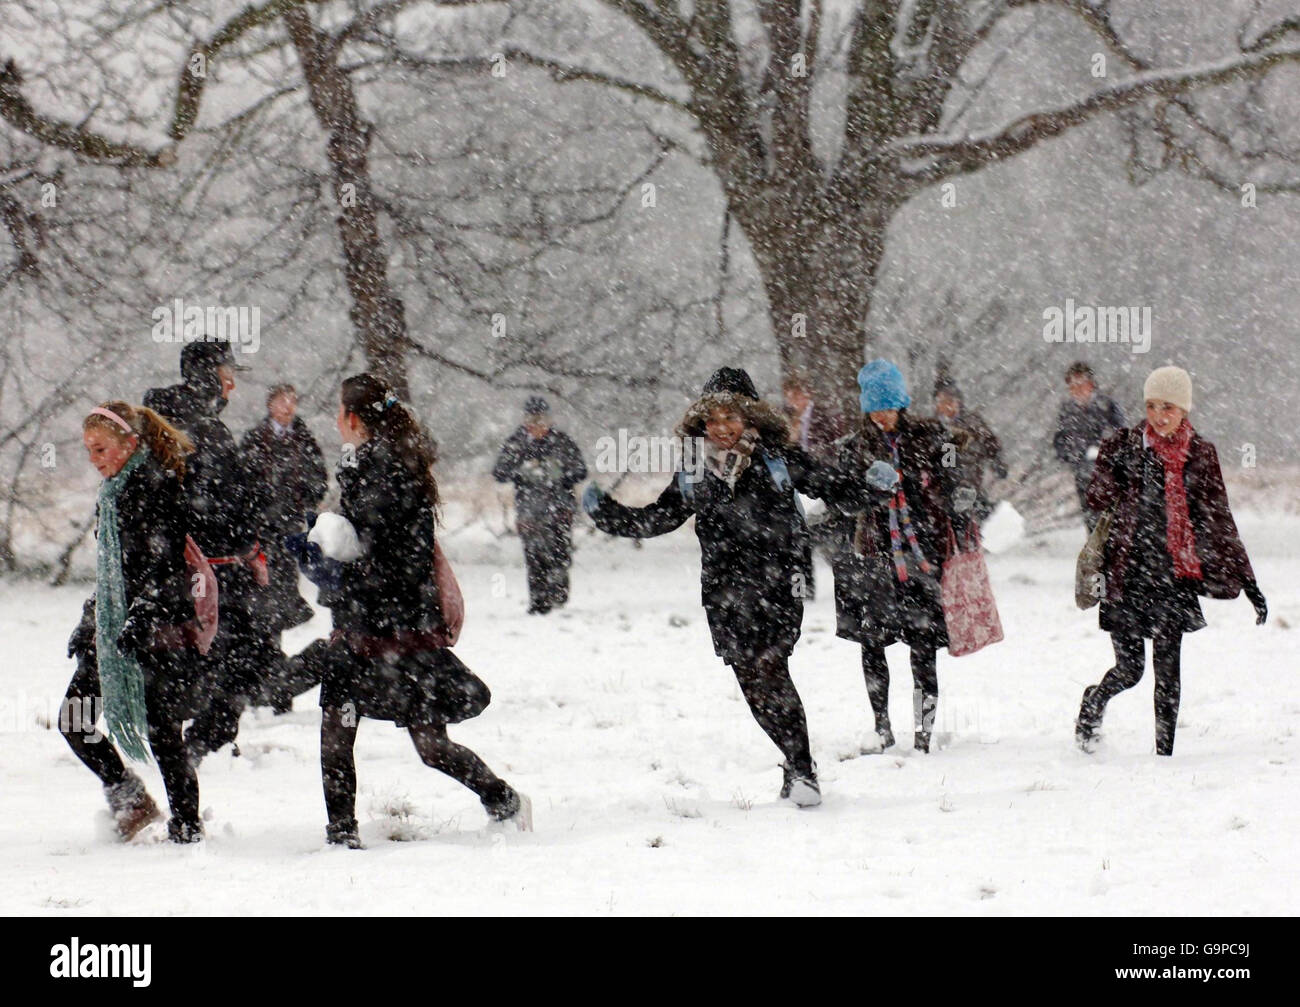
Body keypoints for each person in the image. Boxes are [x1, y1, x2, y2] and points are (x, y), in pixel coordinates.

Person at [584, 367, 850, 807]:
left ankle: (803, 771)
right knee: (751, 679)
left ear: (752, 419)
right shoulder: (694, 470)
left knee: (770, 667)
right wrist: (608, 514)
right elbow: (660, 518)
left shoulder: (780, 459)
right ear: (702, 423)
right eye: (714, 419)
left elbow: (835, 488)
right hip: (724, 590)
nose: (722, 427)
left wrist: (876, 488)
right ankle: (794, 763)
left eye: (732, 417)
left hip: (779, 582)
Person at [298, 373, 531, 848]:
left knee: (400, 741)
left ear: (352, 417)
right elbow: (378, 545)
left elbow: (389, 555)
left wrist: (336, 566)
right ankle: (343, 833)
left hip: (389, 628)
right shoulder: (379, 464)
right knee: (359, 732)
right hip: (389, 627)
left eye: (339, 412)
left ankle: (502, 799)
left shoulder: (382, 470)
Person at [1075, 366, 1267, 756]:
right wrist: (1117, 473)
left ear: (1184, 410)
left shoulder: (1200, 454)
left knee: (1168, 671)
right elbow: (1094, 498)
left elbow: (1219, 518)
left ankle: (1165, 755)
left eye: (1168, 407)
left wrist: (1248, 581)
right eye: (1150, 405)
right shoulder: (1124, 445)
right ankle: (1092, 704)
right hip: (1126, 572)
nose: (1158, 415)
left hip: (1172, 576)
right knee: (1130, 671)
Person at [63, 402, 206, 843]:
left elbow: (164, 565)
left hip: (159, 631)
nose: (95, 459)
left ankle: (187, 827)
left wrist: (143, 614)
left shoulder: (156, 486)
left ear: (130, 443)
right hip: (113, 633)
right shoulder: (110, 495)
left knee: (165, 736)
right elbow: (112, 574)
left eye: (101, 448)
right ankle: (132, 799)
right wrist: (91, 621)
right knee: (75, 718)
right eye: (89, 451)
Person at [832, 360, 976, 755]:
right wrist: (868, 492)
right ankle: (881, 726)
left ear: (902, 404)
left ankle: (924, 732)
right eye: (874, 408)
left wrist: (957, 496)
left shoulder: (930, 438)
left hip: (923, 556)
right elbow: (841, 503)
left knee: (924, 645)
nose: (881, 415)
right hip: (873, 557)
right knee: (872, 644)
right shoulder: (853, 447)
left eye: (889, 406)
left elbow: (953, 483)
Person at [144, 341, 271, 764]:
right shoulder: (205, 429)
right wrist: (256, 500)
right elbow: (224, 511)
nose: (232, 381)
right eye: (226, 371)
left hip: (169, 569)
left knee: (192, 665)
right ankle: (189, 753)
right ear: (208, 375)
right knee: (244, 664)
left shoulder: (160, 422)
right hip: (209, 575)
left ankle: (182, 749)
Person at [241, 383, 328, 712]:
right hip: (259, 533)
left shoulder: (304, 439)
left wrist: (302, 500)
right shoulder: (255, 438)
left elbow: (319, 477)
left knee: (282, 599)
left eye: (293, 401)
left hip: (288, 530)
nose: (288, 407)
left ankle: (278, 682)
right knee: (260, 601)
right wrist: (256, 506)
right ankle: (268, 678)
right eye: (282, 401)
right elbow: (242, 478)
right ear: (270, 404)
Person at [492, 397, 587, 614]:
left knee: (559, 553)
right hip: (529, 510)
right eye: (532, 420)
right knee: (534, 556)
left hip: (560, 509)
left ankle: (558, 594)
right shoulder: (516, 443)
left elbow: (580, 471)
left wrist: (558, 474)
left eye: (541, 420)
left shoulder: (562, 442)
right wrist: (523, 473)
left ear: (549, 420)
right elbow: (499, 473)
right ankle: (539, 601)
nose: (536, 425)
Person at [782, 372, 851, 601]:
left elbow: (835, 446)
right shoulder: (789, 419)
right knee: (802, 538)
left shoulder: (824, 416)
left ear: (808, 393)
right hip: (801, 486)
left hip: (823, 483)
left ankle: (848, 583)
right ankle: (805, 587)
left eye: (798, 394)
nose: (794, 400)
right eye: (790, 395)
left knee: (832, 541)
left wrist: (817, 462)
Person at [1053, 362, 1127, 532]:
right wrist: (1069, 456)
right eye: (1072, 385)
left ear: (1091, 384)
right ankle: (1096, 554)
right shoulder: (1067, 410)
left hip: (1108, 473)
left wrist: (1103, 450)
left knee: (1111, 520)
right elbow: (1059, 440)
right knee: (1091, 521)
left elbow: (1122, 434)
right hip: (1082, 473)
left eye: (1081, 384)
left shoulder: (1106, 406)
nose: (1076, 389)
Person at [932, 377, 1007, 524]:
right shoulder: (933, 426)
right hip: (943, 486)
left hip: (970, 480)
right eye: (941, 402)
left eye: (950, 401)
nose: (946, 406)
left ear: (958, 402)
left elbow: (991, 443)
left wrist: (998, 462)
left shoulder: (972, 422)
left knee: (975, 515)